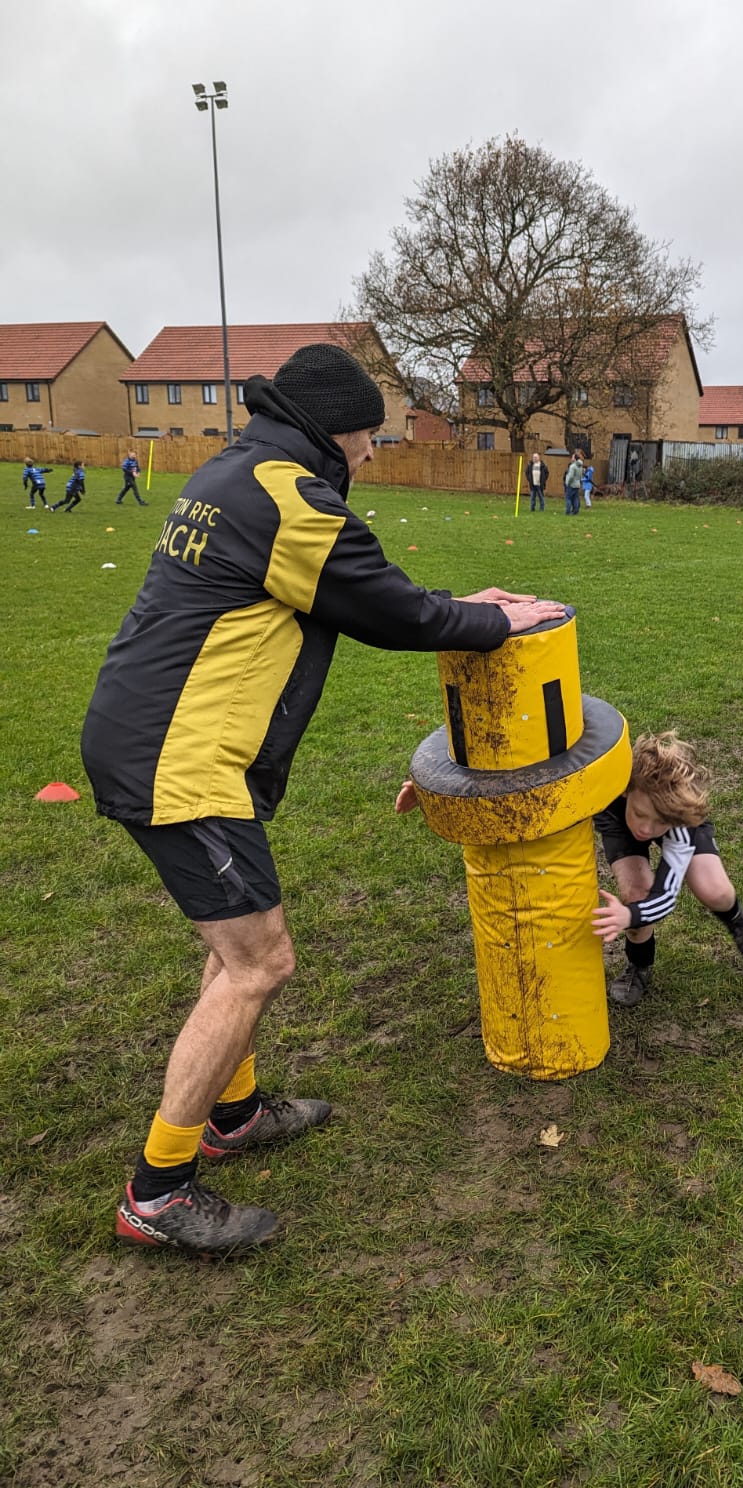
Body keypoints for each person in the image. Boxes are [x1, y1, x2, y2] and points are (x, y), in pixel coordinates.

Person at [81, 343, 565, 1258]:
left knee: (229, 951)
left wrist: (461, 601)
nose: (374, 454)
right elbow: (392, 613)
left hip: (154, 739)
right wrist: (497, 620)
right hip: (178, 759)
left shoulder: (238, 471)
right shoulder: (289, 494)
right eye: (366, 438)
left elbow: (359, 592)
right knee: (258, 963)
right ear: (330, 434)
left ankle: (235, 1113)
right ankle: (158, 1190)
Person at [591, 731, 743, 1006]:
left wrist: (627, 916)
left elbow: (665, 896)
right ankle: (640, 964)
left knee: (714, 891)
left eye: (656, 823)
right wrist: (633, 910)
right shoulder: (610, 783)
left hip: (677, 822)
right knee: (636, 894)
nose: (646, 829)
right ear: (627, 789)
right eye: (640, 815)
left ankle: (736, 919)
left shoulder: (678, 819)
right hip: (617, 821)